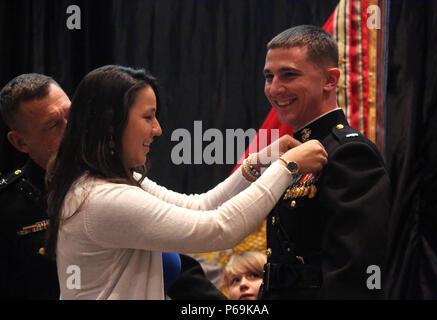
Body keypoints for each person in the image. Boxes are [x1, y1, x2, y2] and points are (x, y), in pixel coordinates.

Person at [45, 65, 328, 300]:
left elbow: (200, 206)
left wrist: (257, 164)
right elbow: (218, 229)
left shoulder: (115, 182)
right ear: (110, 124)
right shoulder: (102, 198)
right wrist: (286, 168)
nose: (157, 129)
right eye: (147, 117)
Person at [260, 25, 391, 299]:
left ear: (330, 80)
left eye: (289, 75)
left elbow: (355, 271)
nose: (275, 88)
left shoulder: (348, 153)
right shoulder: (291, 151)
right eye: (269, 76)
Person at [0, 73, 71, 299]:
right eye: (53, 125)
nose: (71, 131)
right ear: (20, 142)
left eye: (72, 115)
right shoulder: (7, 206)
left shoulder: (111, 175)